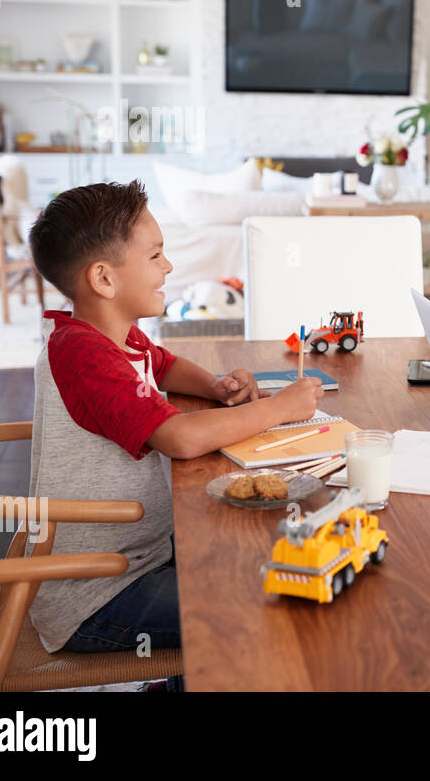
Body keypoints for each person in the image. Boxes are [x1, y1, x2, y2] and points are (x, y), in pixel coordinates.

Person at [25, 180, 322, 654]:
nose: (169, 266)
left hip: (143, 554)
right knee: (255, 603)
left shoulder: (113, 334)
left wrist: (215, 386)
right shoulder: (81, 353)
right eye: (155, 256)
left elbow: (163, 364)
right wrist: (279, 408)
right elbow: (180, 439)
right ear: (104, 279)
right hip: (96, 593)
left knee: (255, 557)